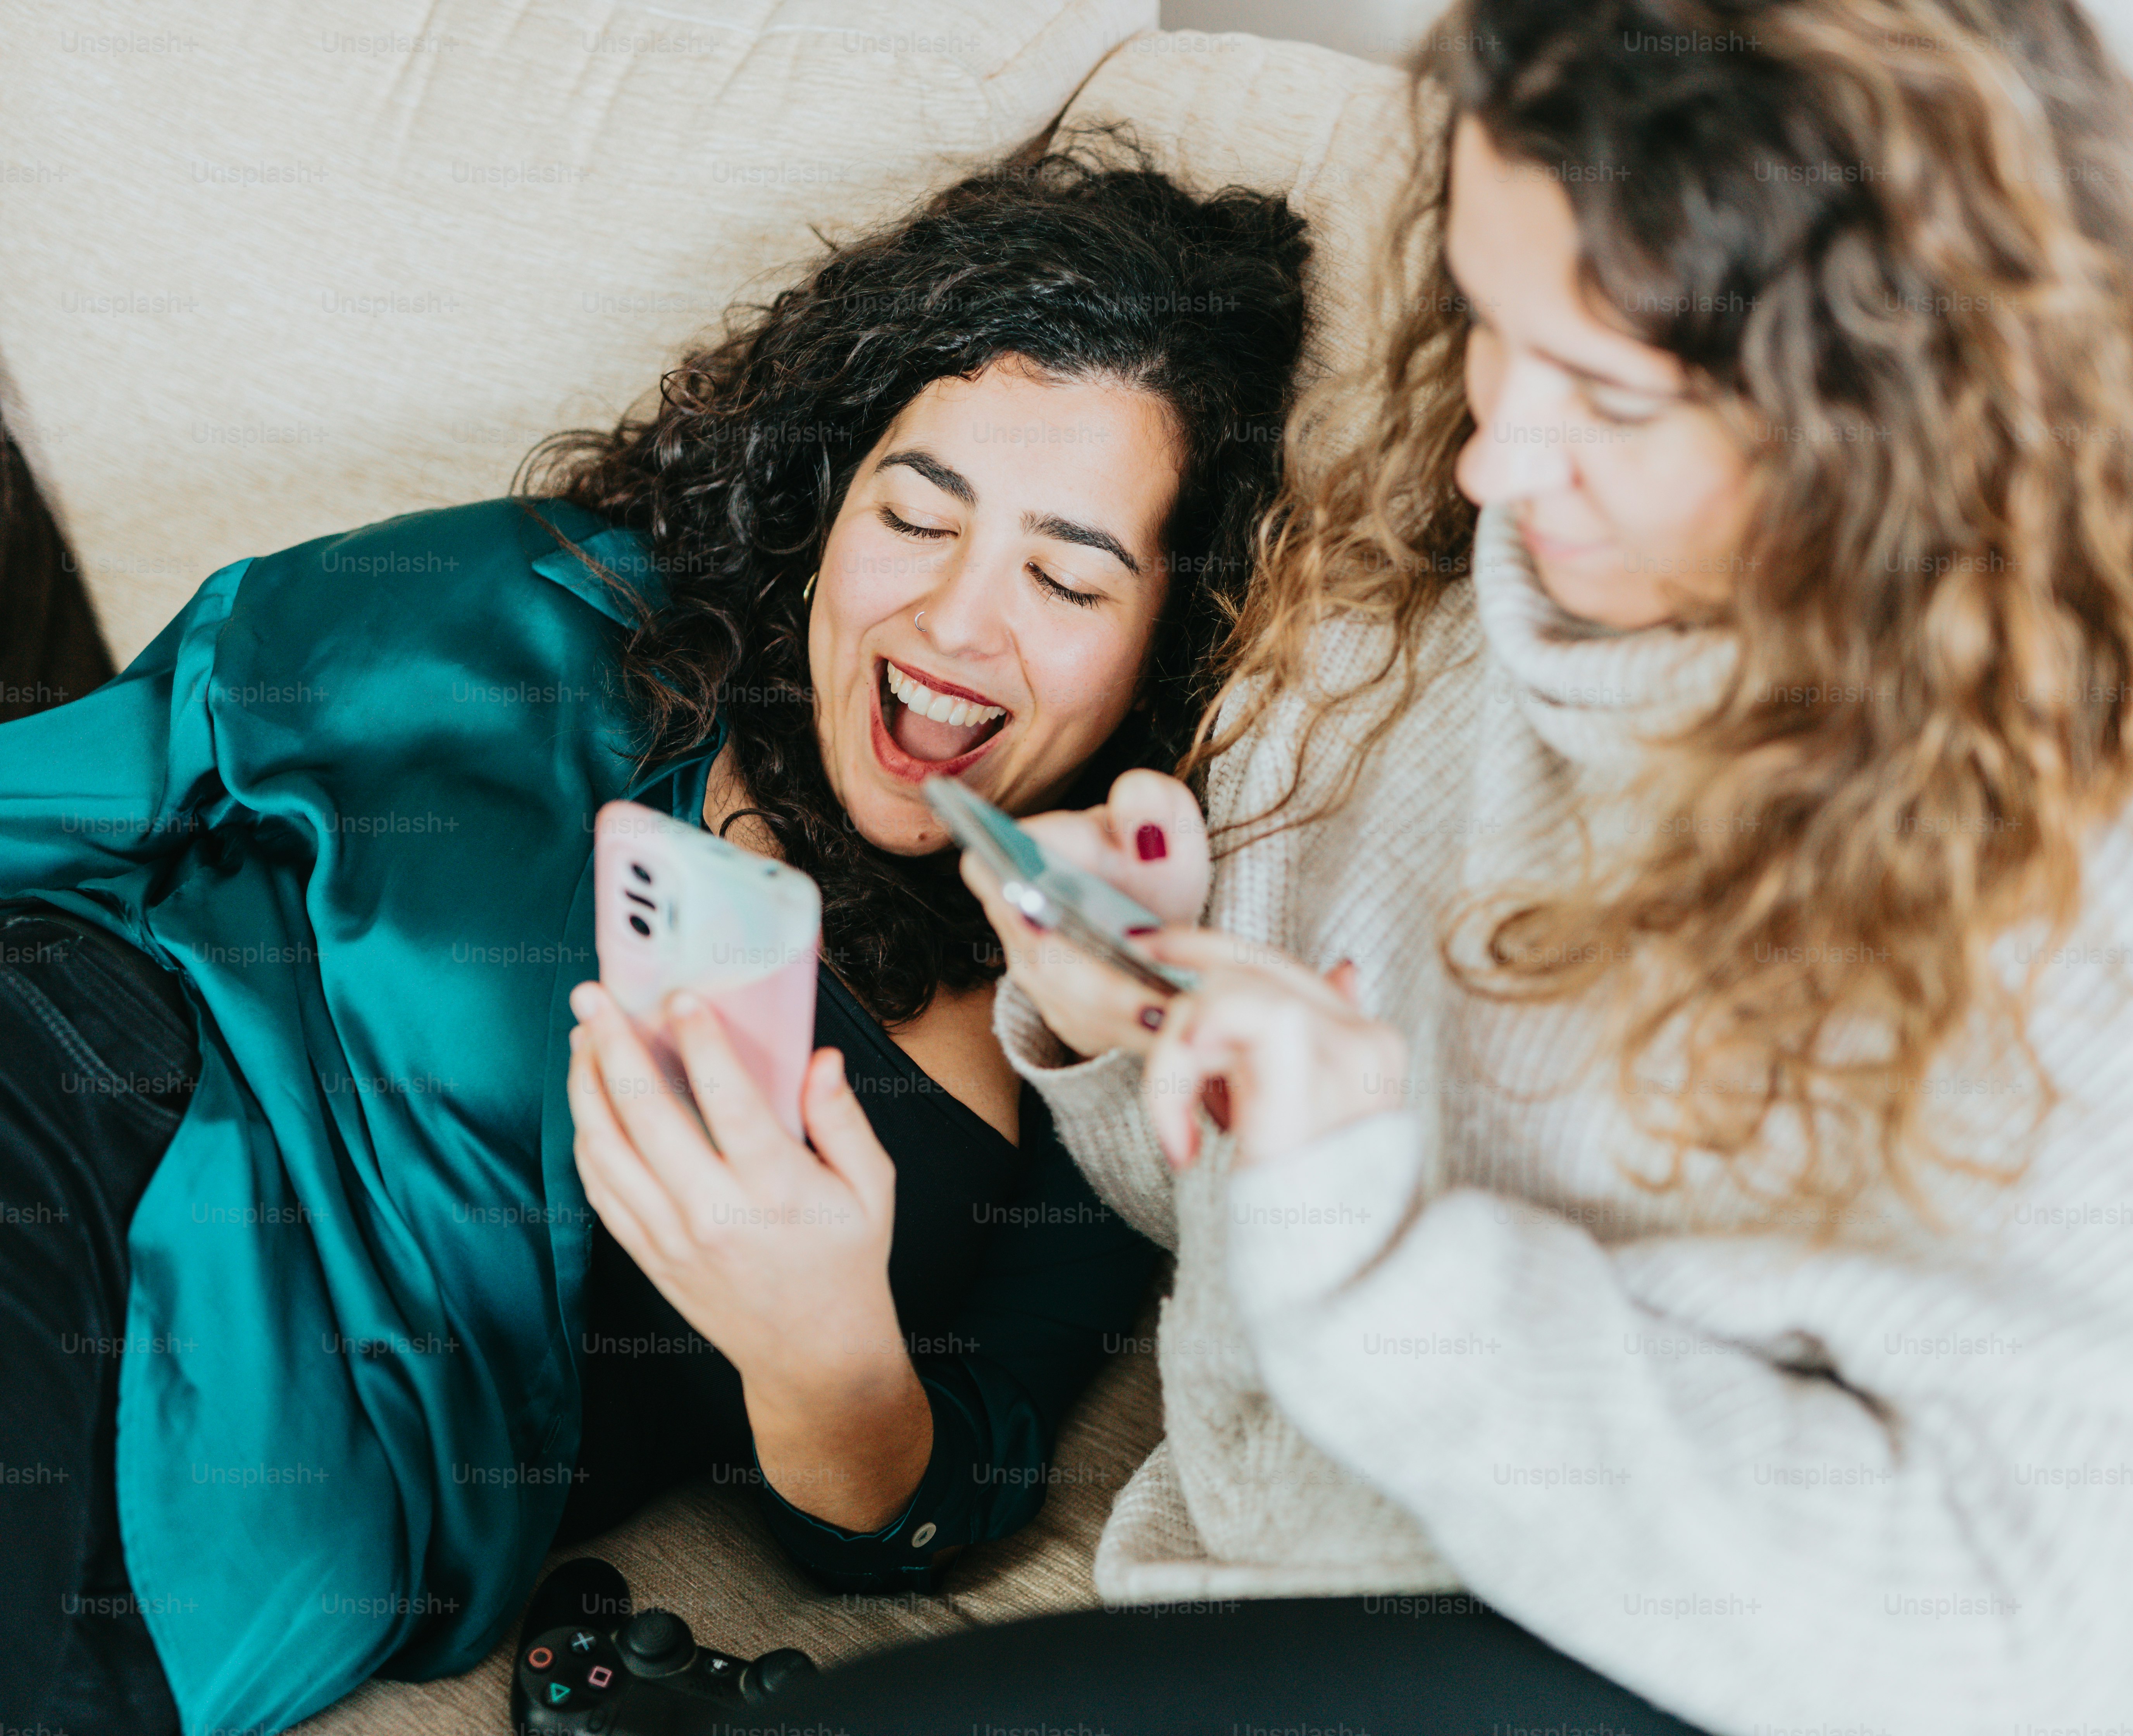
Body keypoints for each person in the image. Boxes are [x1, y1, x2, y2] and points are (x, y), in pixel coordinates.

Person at [734, 3, 2133, 1733]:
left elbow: (2050, 1638)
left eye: (1613, 394)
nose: (1497, 454)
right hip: (1342, 1593)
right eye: (1494, 326)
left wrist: (1385, 1249)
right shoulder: (1389, 639)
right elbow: (1243, 1252)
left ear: (1886, 400)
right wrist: (1133, 1010)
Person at [0, 146, 1308, 1736]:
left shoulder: (1092, 1021)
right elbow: (94, 779)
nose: (959, 624)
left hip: (311, 1512)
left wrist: (819, 1353)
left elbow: (915, 1510)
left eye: (1065, 578)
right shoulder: (548, 611)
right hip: (90, 1094)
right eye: (916, 516)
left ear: (1172, 636)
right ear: (829, 503)